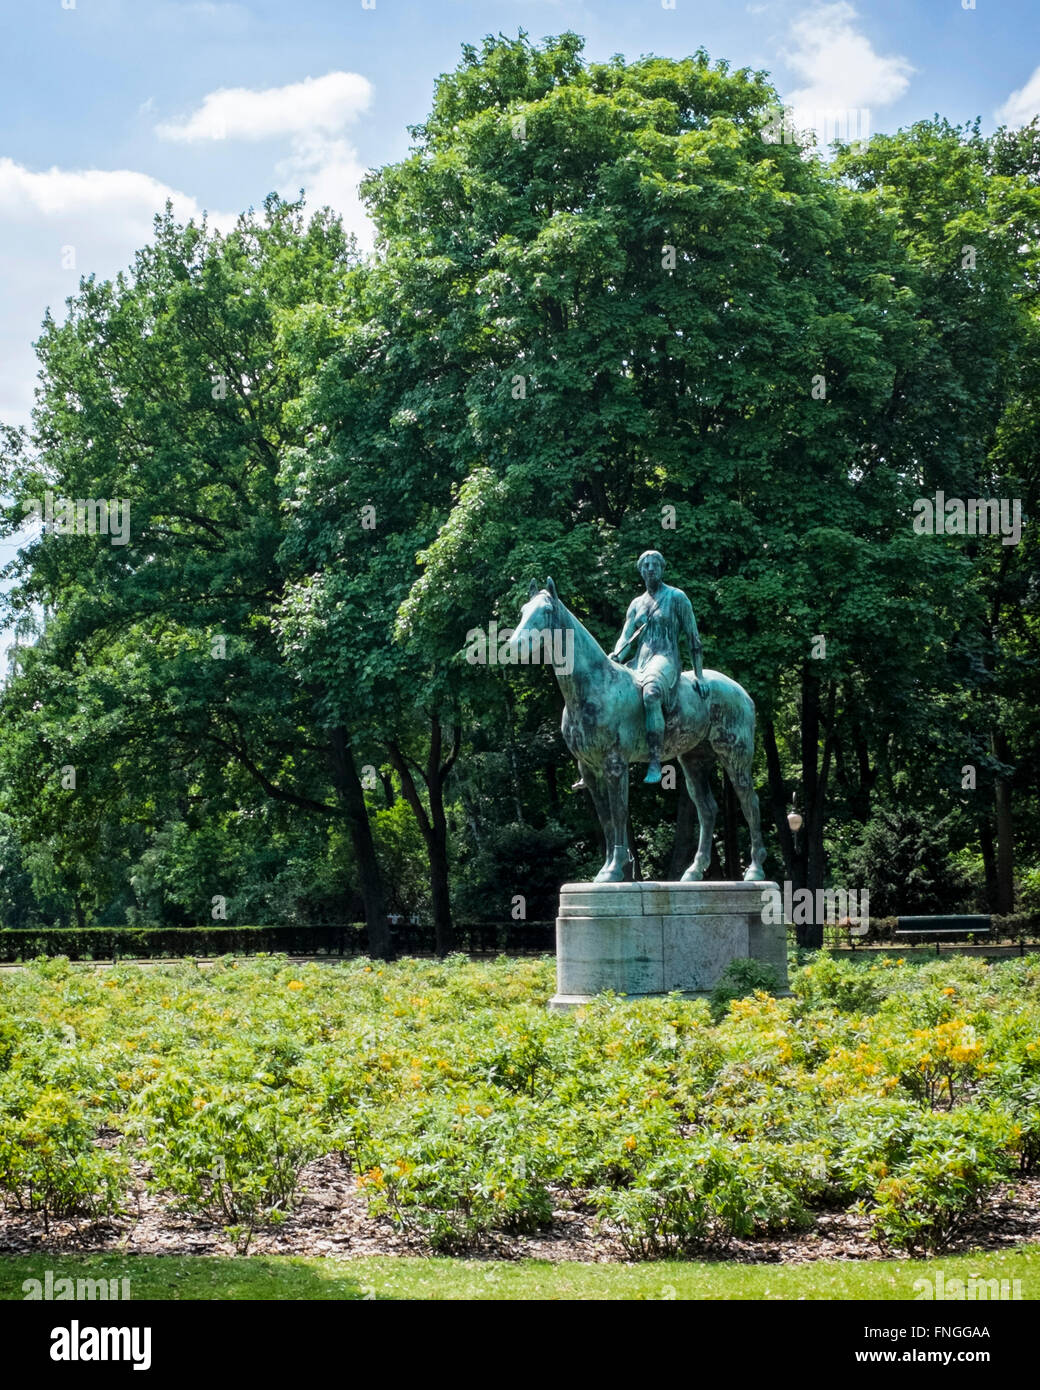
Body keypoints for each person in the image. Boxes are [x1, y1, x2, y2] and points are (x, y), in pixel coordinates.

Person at [609, 550, 706, 784]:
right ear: (641, 571)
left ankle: (655, 760)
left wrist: (700, 676)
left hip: (666, 659)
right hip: (639, 661)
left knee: (651, 694)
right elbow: (625, 637)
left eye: (654, 565)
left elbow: (693, 637)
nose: (650, 568)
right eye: (646, 565)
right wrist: (616, 655)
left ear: (662, 568)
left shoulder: (677, 597)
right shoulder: (636, 604)